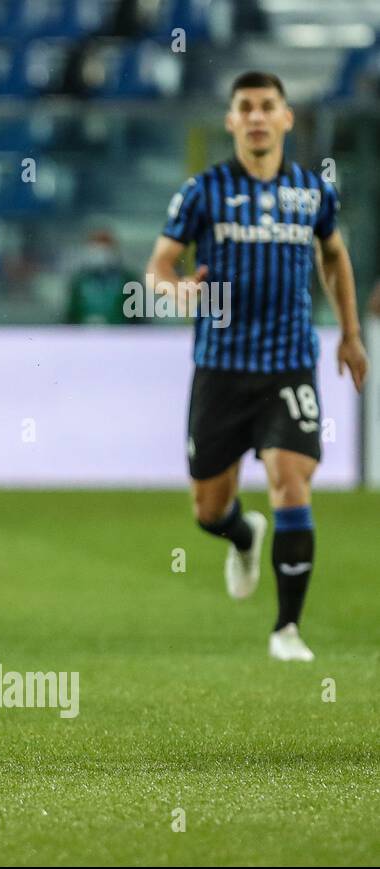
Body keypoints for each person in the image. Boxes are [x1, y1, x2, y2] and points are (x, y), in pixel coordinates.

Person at [145, 71, 369, 661]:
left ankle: (287, 629)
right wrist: (175, 293)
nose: (257, 117)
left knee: (290, 480)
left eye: (268, 106)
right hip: (220, 369)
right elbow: (159, 267)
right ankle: (243, 535)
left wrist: (350, 335)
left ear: (287, 118)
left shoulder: (313, 193)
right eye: (245, 107)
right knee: (208, 509)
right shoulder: (204, 190)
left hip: (289, 366)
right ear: (231, 120)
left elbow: (335, 258)